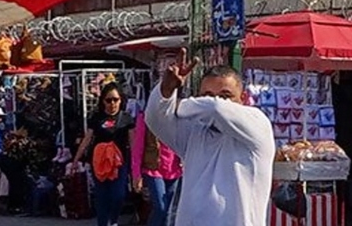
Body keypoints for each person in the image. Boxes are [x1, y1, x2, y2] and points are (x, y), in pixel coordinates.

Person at [145, 49, 276, 226]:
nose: (217, 101)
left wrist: (182, 105)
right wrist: (166, 91)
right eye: (207, 95)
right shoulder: (195, 132)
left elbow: (216, 109)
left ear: (243, 98)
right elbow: (154, 119)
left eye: (226, 95)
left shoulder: (257, 125)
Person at [74, 83, 136, 226]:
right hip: (99, 163)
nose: (112, 103)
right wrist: (76, 159)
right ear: (103, 101)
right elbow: (87, 140)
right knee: (102, 197)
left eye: (115, 99)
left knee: (118, 195)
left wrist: (135, 167)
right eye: (108, 100)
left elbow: (133, 143)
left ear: (121, 100)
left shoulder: (127, 119)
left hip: (119, 163)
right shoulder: (96, 118)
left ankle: (113, 221)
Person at [133, 109, 182, 226]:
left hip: (174, 169)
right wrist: (136, 174)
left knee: (169, 212)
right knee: (161, 207)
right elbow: (138, 147)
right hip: (153, 168)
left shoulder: (179, 116)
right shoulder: (146, 117)